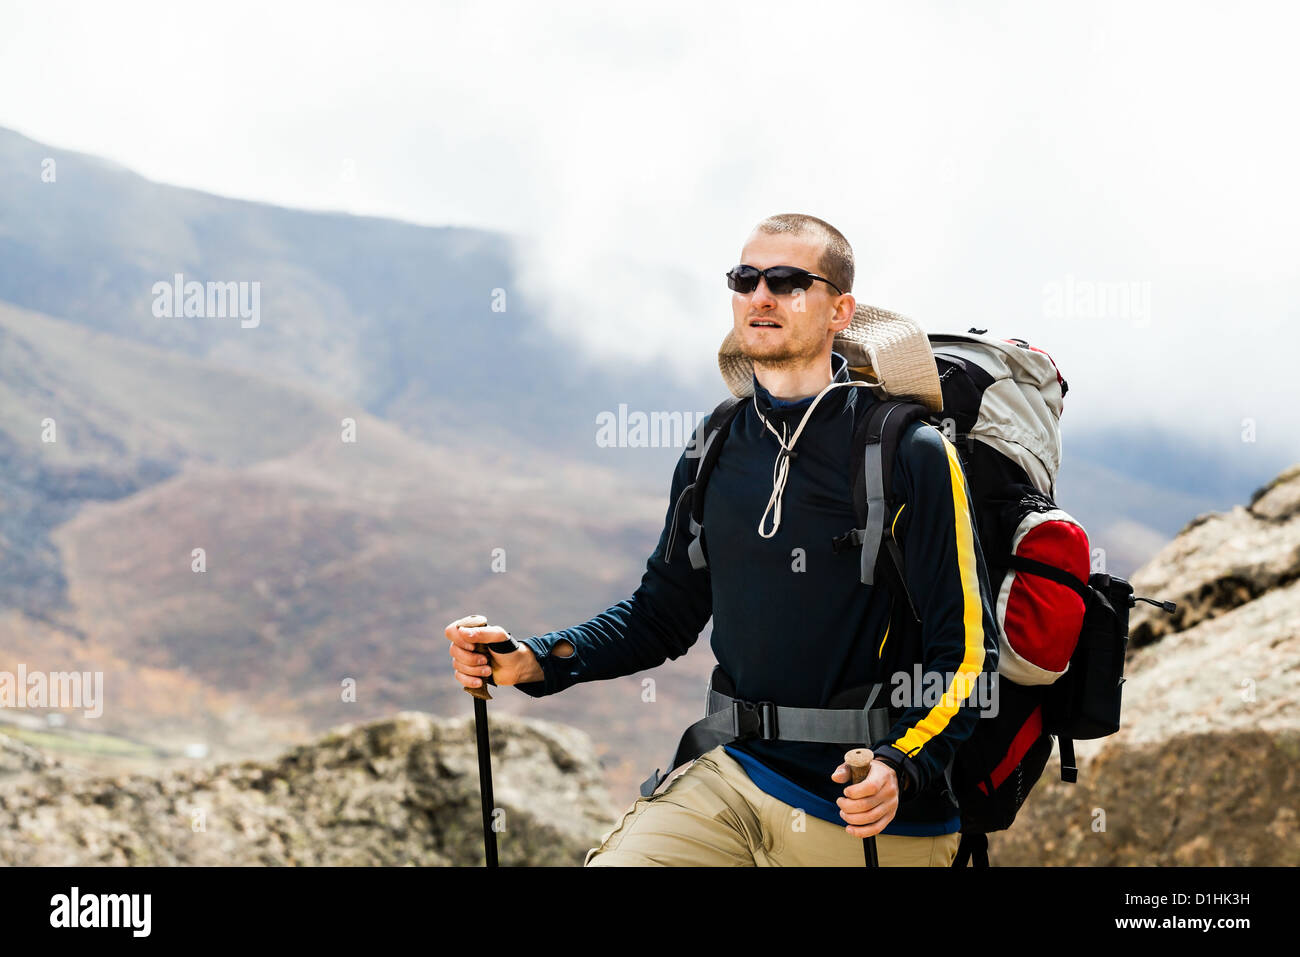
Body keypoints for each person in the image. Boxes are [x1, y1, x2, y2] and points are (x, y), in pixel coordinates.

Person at [445, 213, 999, 866]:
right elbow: (663, 612)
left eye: (789, 281)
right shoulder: (715, 444)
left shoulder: (910, 453)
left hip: (866, 810)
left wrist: (899, 764)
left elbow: (966, 656)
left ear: (838, 311)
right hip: (734, 777)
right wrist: (536, 659)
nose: (761, 295)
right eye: (746, 278)